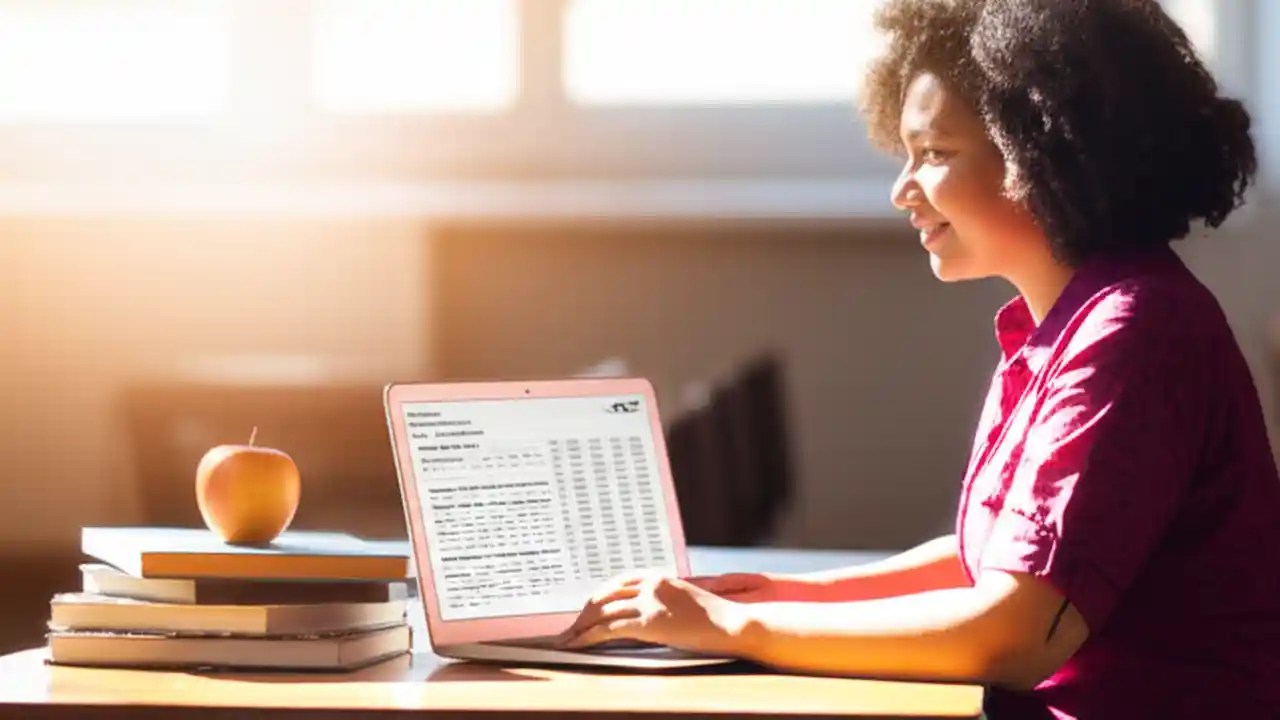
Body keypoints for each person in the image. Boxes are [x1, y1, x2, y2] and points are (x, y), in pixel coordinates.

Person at [558, 0, 1280, 716]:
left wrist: (734, 630)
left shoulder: (1134, 330)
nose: (902, 190)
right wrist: (773, 593)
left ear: (1045, 152)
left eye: (934, 154)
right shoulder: (1063, 324)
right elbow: (987, 557)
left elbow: (1012, 636)